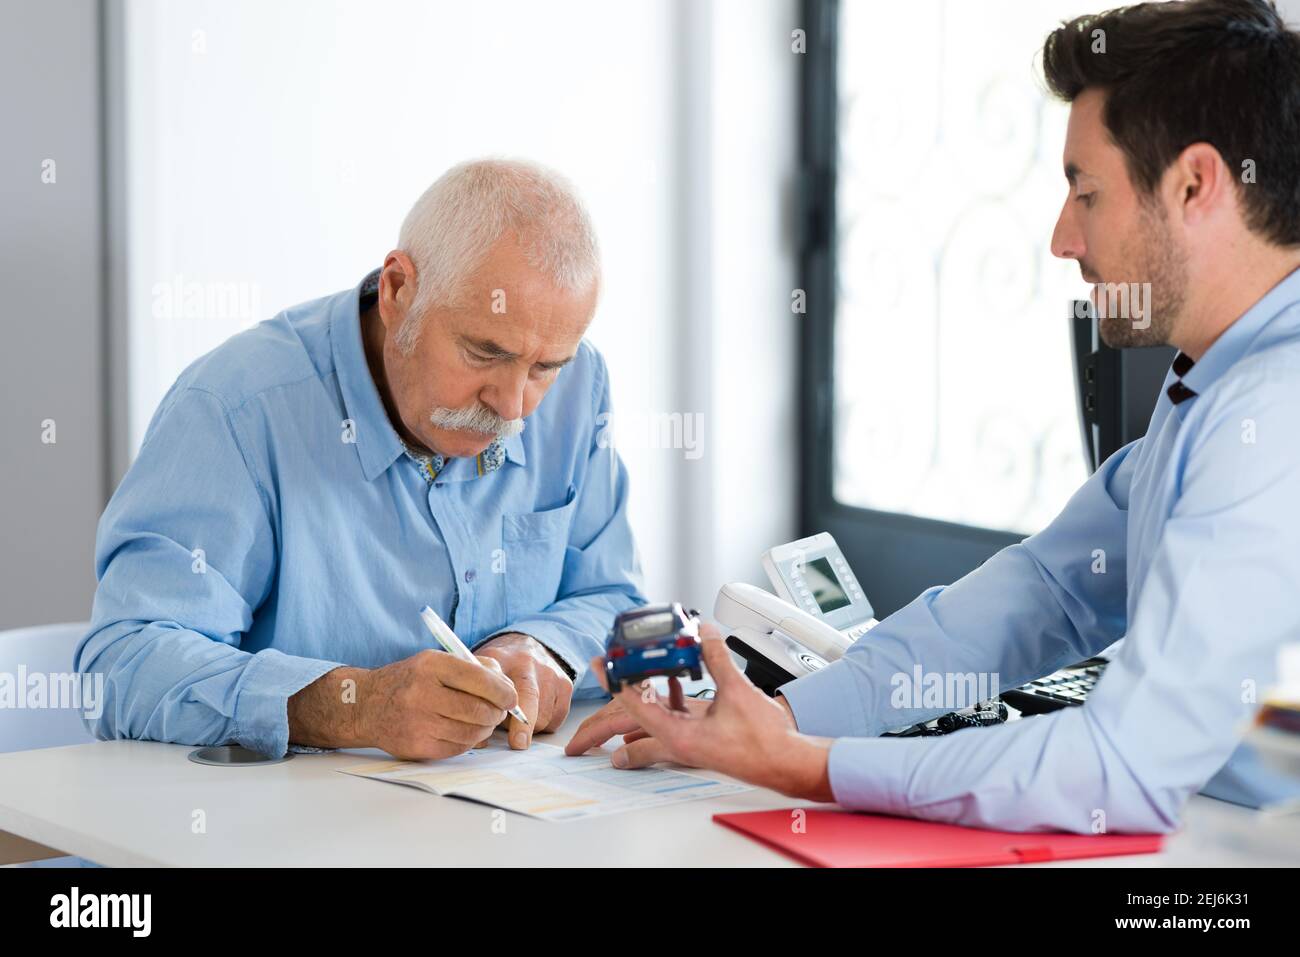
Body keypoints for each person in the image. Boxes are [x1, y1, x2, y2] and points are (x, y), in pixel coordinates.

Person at [569, 0, 1300, 833]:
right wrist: (781, 717)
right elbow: (1043, 594)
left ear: (1196, 185)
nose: (1064, 239)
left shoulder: (1272, 415)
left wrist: (806, 766)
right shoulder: (1206, 386)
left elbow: (1118, 768)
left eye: (1086, 192)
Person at [79, 159, 645, 761]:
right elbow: (122, 664)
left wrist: (539, 647)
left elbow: (614, 596)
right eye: (484, 353)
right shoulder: (236, 408)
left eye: (543, 369)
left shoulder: (583, 383)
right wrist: (357, 704)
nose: (512, 407)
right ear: (399, 290)